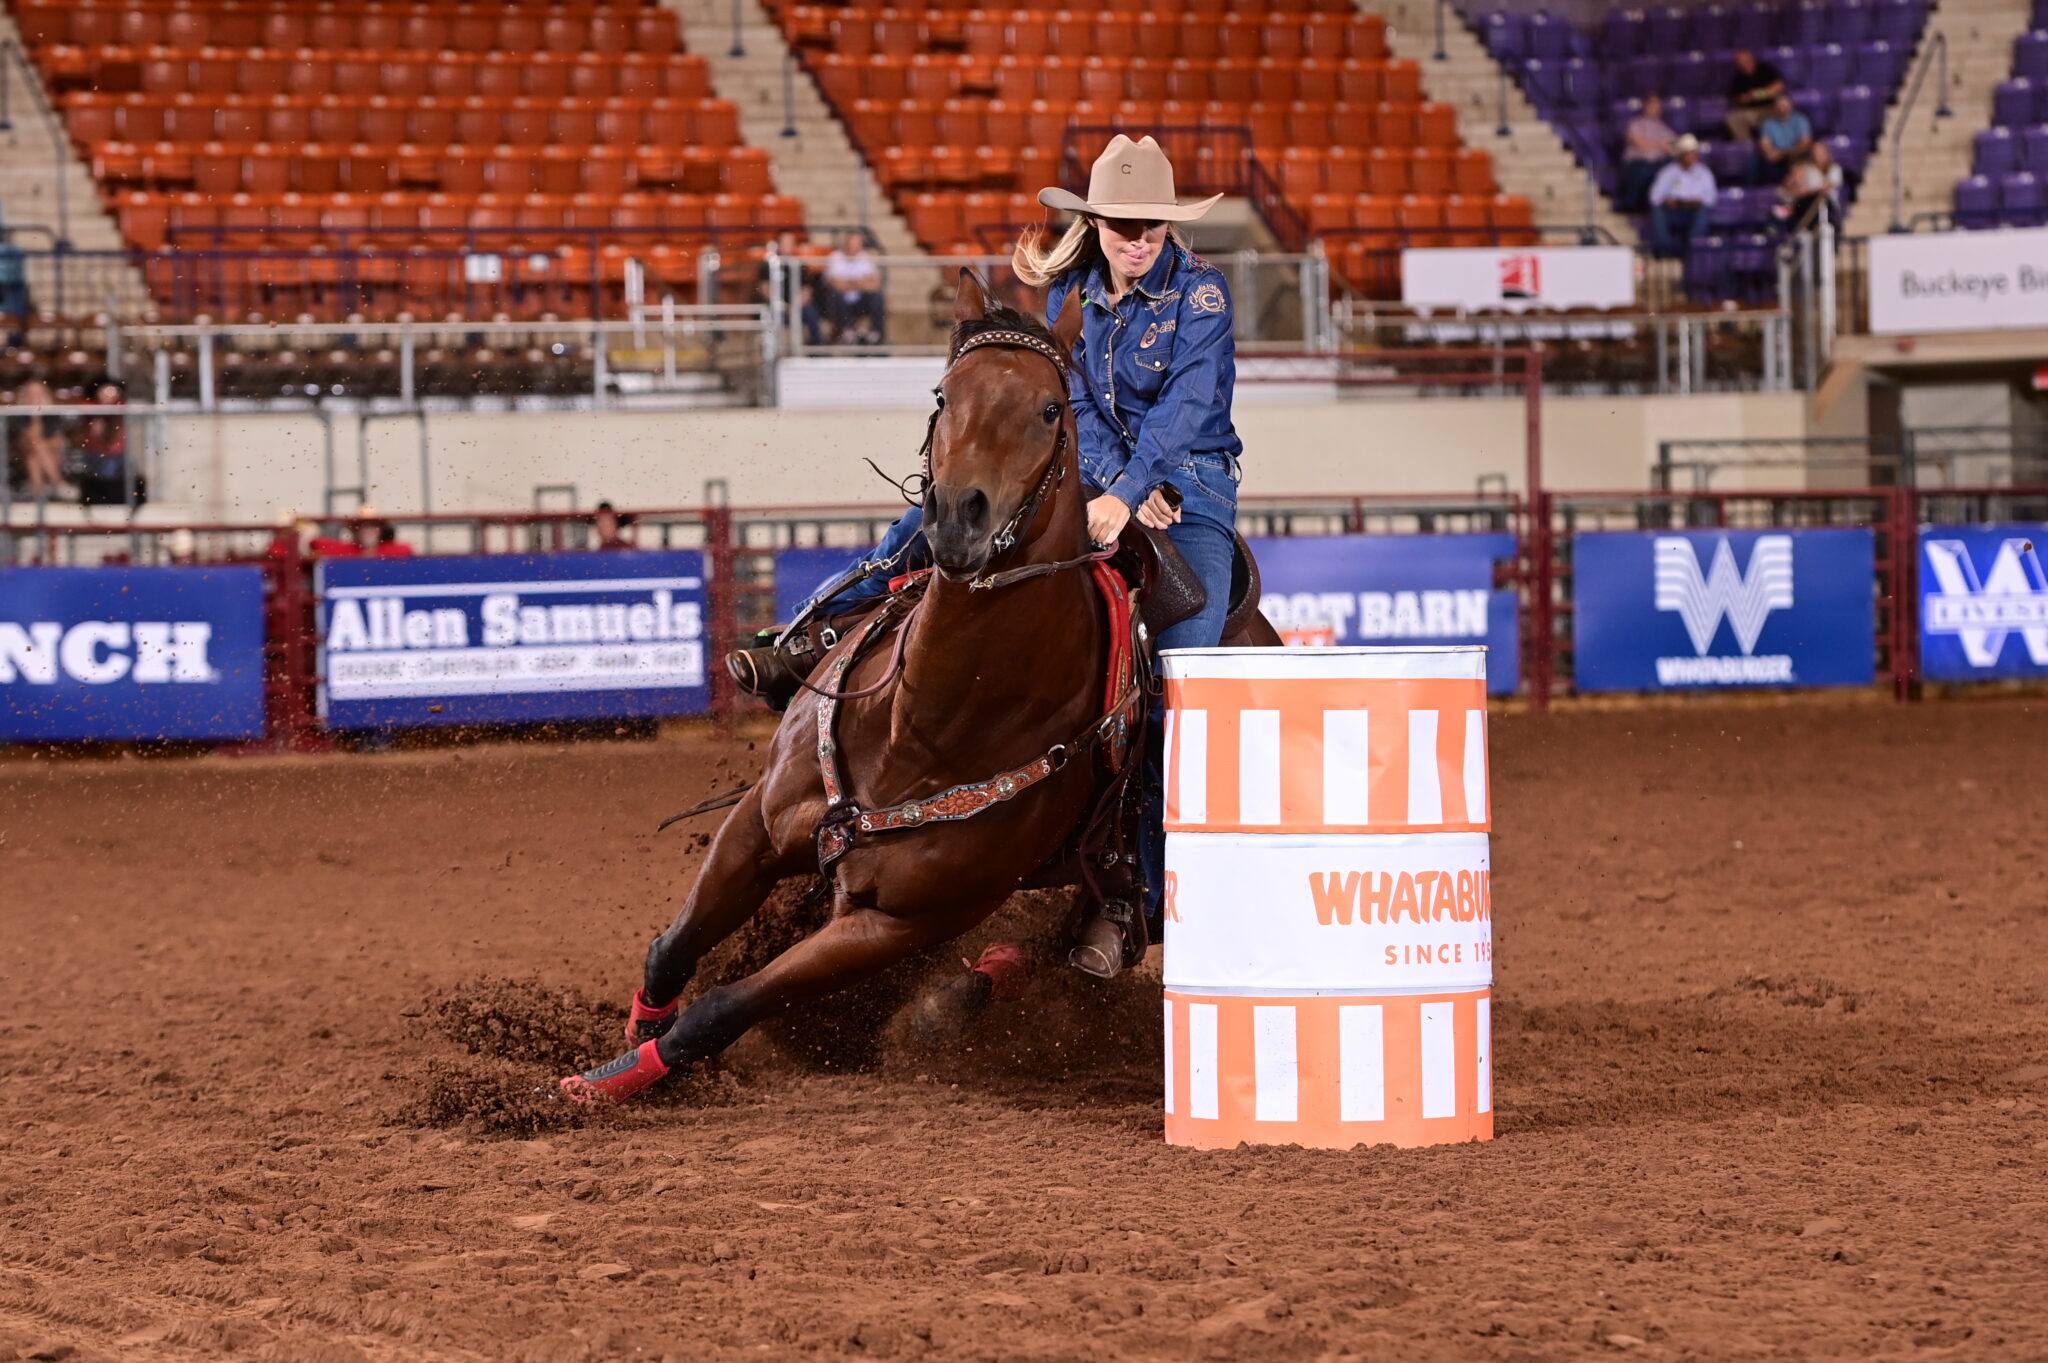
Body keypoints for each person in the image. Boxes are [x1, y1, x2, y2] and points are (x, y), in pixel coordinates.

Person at [729, 135, 1241, 978]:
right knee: (936, 525)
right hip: (1101, 476)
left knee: (1186, 671)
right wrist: (1110, 486)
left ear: (1168, 225)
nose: (1137, 239)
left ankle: (1132, 889)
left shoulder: (1204, 297)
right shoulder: (1077, 290)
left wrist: (1139, 486)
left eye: (1150, 225)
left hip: (1193, 492)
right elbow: (1068, 402)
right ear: (1099, 224)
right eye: (1122, 225)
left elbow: (1190, 405)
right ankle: (808, 636)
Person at [1648, 134, 1717, 257]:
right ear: (1681, 155)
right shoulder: (1668, 172)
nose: (1692, 156)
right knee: (1657, 210)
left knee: (1704, 211)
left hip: (1693, 211)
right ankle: (1664, 250)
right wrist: (1666, 200)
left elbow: (1711, 198)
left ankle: (1693, 251)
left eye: (1694, 153)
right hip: (1673, 210)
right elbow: (1654, 196)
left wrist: (1695, 201)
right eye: (1689, 153)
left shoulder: (1704, 173)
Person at [73, 382, 135, 510]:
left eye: (112, 391)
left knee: (113, 467)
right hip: (94, 452)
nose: (108, 395)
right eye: (105, 391)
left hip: (116, 453)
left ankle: (113, 500)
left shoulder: (121, 407)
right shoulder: (91, 408)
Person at [759, 230, 823, 347]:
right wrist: (782, 305)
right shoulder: (769, 265)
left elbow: (806, 290)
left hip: (797, 307)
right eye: (785, 243)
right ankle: (773, 352)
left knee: (811, 312)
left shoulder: (800, 265)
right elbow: (766, 289)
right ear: (778, 244)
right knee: (772, 314)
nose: (787, 246)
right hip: (778, 307)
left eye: (790, 243)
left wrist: (795, 306)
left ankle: (816, 349)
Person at [821, 232, 885, 344]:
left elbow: (875, 284)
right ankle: (847, 332)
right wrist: (861, 283)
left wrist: (849, 282)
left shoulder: (864, 257)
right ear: (845, 245)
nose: (853, 249)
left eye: (857, 246)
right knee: (837, 295)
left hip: (859, 302)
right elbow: (837, 285)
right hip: (838, 303)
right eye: (851, 245)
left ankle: (876, 333)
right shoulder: (835, 257)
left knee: (877, 296)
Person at [12, 378, 67, 502]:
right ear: (25, 396)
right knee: (35, 449)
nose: (34, 397)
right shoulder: (18, 414)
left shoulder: (53, 414)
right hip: (23, 452)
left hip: (50, 453)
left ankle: (38, 494)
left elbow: (56, 441)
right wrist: (35, 418)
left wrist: (41, 444)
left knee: (35, 456)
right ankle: (58, 483)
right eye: (31, 394)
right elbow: (24, 441)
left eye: (38, 394)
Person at [1621, 94, 1678, 213]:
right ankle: (1630, 205)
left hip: (1657, 163)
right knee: (1643, 171)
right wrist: (1660, 146)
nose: (1656, 108)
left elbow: (1674, 144)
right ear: (1646, 107)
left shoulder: (1663, 127)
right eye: (1653, 105)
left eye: (1658, 106)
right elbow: (1638, 142)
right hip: (1638, 161)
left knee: (1670, 168)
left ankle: (1658, 208)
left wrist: (1660, 146)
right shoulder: (1636, 123)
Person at [1725, 48, 1787, 145]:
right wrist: (1745, 98)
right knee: (1733, 118)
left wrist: (1758, 94)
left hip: (1771, 108)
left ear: (1751, 58)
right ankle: (1747, 148)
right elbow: (1736, 99)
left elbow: (1780, 86)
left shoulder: (1765, 69)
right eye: (1740, 62)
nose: (1743, 63)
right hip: (1752, 111)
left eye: (1745, 60)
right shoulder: (1738, 78)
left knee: (1784, 108)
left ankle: (1783, 145)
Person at [1778, 143, 1843, 231]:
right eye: (1816, 152)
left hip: (1827, 206)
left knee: (1820, 199)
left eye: (1821, 152)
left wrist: (1810, 191)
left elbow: (1826, 189)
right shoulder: (1809, 170)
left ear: (1827, 153)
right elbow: (1798, 187)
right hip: (1807, 205)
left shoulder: (1835, 169)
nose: (1819, 155)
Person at [1753, 94, 1814, 186]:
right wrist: (1770, 152)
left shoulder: (1800, 120)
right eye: (1780, 105)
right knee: (1755, 162)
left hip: (1795, 155)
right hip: (1775, 157)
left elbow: (1805, 143)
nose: (1783, 108)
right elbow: (1765, 144)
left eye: (1785, 105)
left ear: (1791, 105)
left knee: (1801, 157)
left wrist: (1783, 153)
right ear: (1775, 107)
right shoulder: (1768, 123)